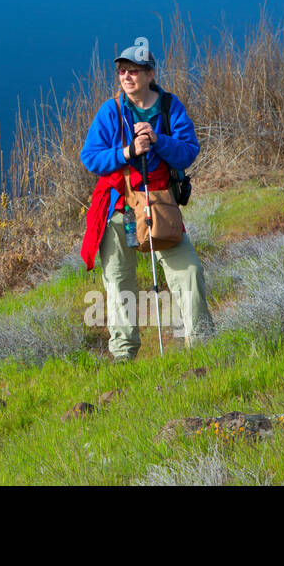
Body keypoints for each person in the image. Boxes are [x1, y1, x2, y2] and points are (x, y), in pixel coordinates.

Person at [78, 46, 214, 360]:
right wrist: (127, 152)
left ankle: (203, 346)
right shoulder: (110, 111)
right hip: (120, 210)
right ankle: (125, 356)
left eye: (134, 70)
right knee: (119, 281)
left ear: (150, 74)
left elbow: (188, 151)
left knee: (189, 271)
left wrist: (157, 140)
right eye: (122, 70)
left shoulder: (169, 107)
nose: (126, 76)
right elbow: (91, 158)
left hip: (160, 207)